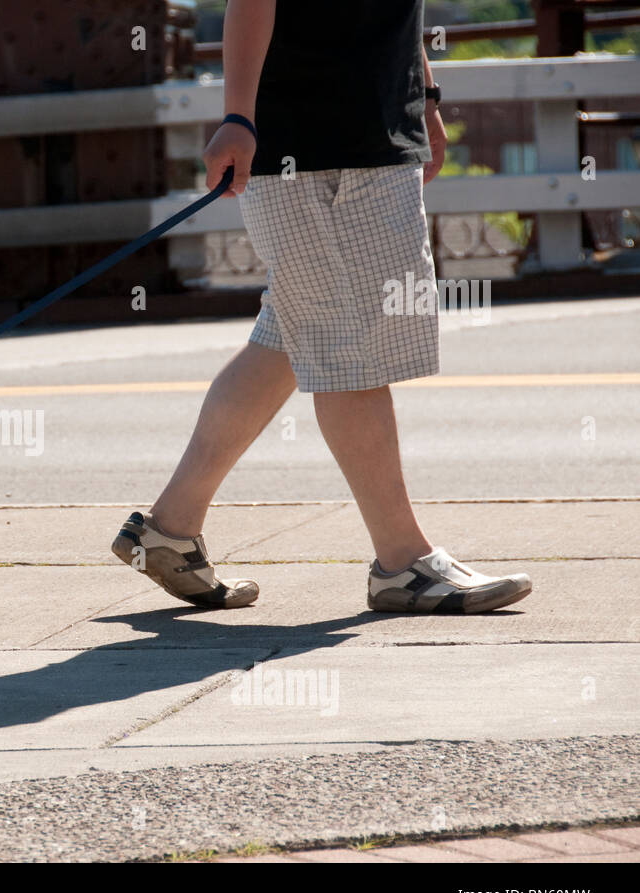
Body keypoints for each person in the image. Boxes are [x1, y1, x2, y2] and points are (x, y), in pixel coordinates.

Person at [112, 0, 531, 614]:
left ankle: (169, 531)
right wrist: (236, 116)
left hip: (374, 136)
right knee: (347, 341)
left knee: (292, 334)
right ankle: (402, 563)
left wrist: (426, 104)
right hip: (307, 149)